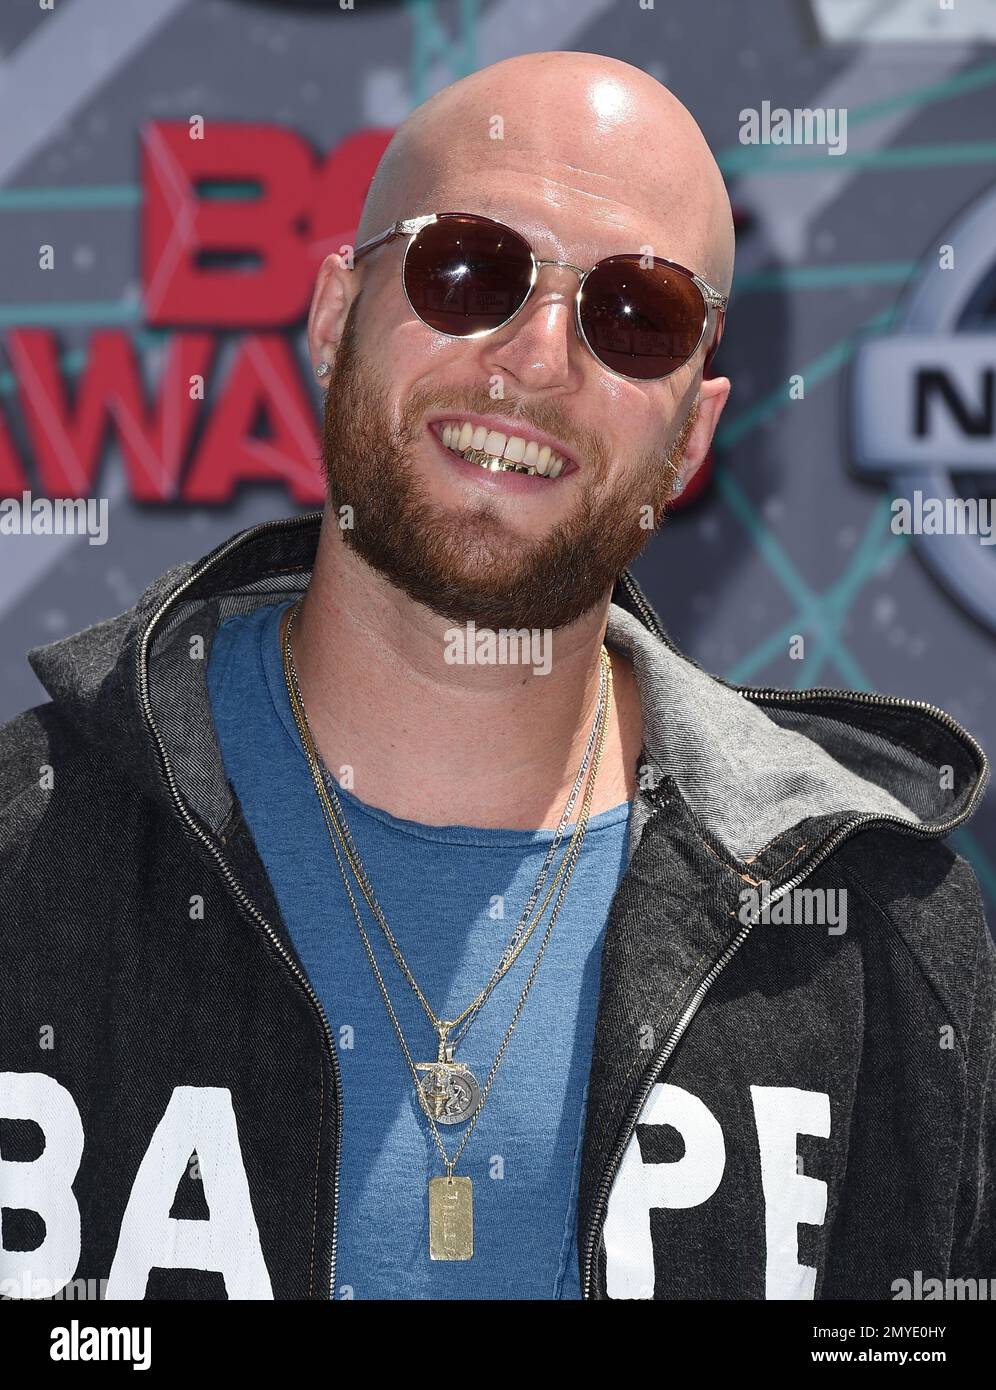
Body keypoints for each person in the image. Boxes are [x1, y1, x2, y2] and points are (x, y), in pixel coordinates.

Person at [1, 51, 992, 1303]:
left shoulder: (875, 930)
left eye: (636, 314)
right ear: (333, 316)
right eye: (467, 268)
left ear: (693, 432)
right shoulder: (28, 846)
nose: (535, 359)